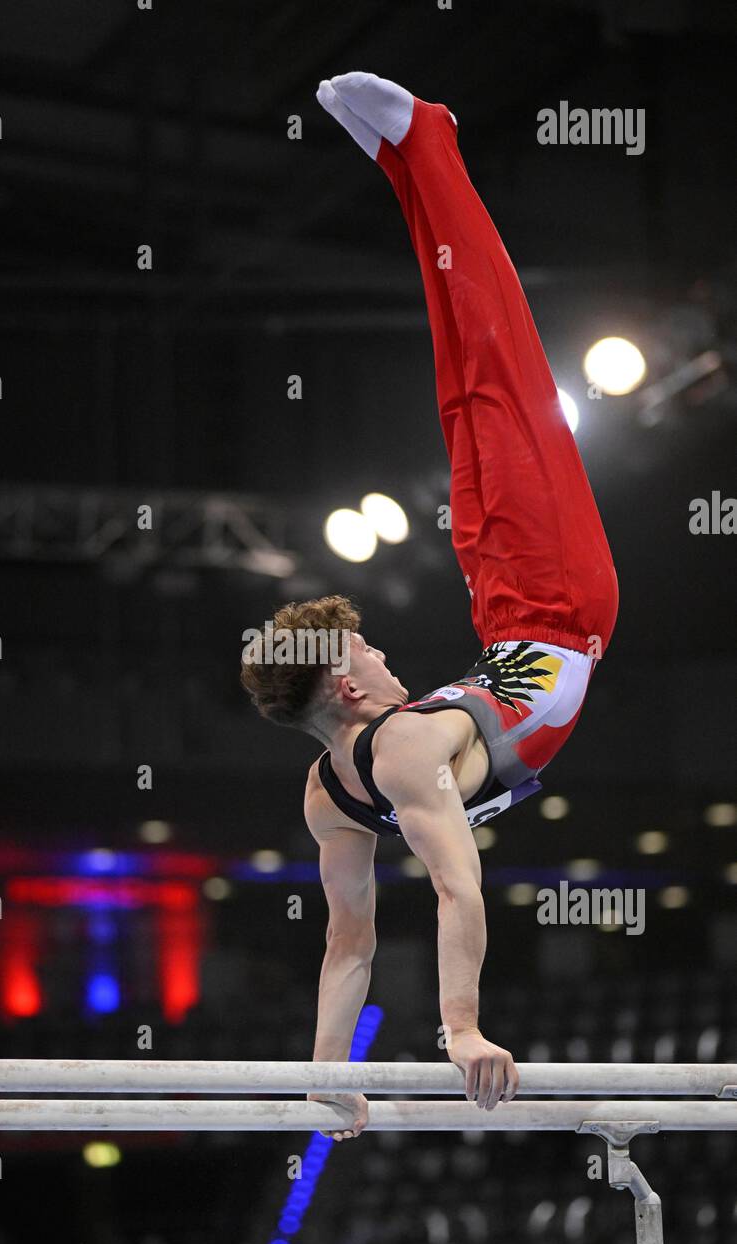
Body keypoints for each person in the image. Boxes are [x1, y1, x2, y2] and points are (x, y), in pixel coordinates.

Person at [240, 75, 619, 1139]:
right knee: (497, 364)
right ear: (346, 683)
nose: (386, 653)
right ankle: (427, 142)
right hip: (558, 599)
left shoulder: (328, 794)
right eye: (367, 646)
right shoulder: (398, 754)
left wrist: (325, 1071)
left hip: (510, 610)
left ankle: (410, 164)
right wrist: (461, 1029)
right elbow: (457, 889)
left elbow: (348, 946)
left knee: (465, 383)